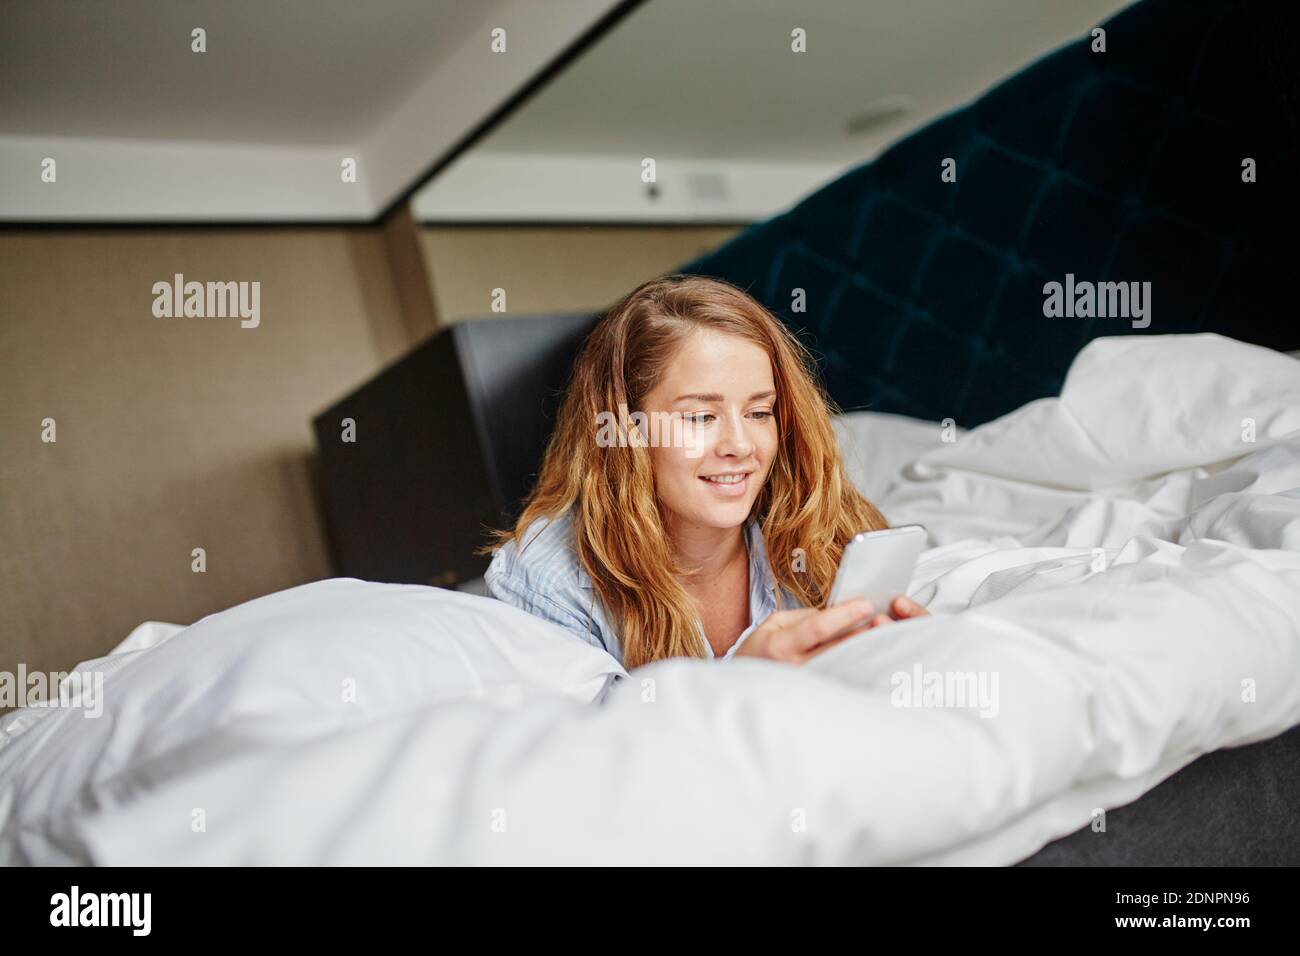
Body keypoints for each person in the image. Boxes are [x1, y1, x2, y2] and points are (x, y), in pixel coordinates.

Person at [483, 273, 928, 670]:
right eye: (700, 418)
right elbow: (576, 752)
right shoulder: (548, 577)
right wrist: (736, 683)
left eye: (759, 412)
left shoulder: (823, 532)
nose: (739, 446)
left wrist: (904, 651)